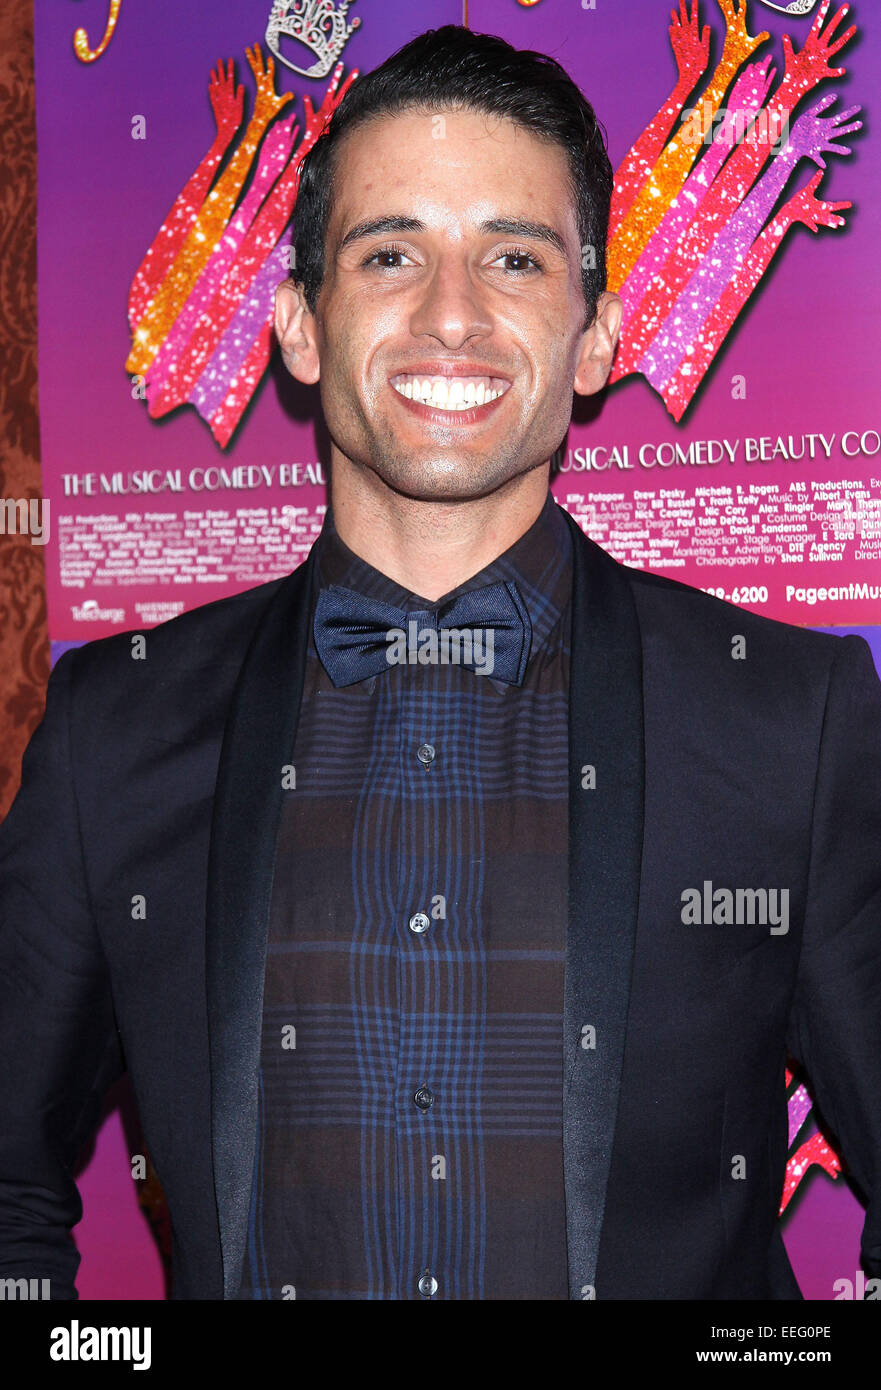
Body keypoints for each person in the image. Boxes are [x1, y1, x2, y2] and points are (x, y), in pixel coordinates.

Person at [1, 23, 880, 1302]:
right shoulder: (112, 732)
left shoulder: (788, 722)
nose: (450, 315)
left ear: (592, 336)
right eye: (390, 252)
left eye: (512, 258)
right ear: (300, 327)